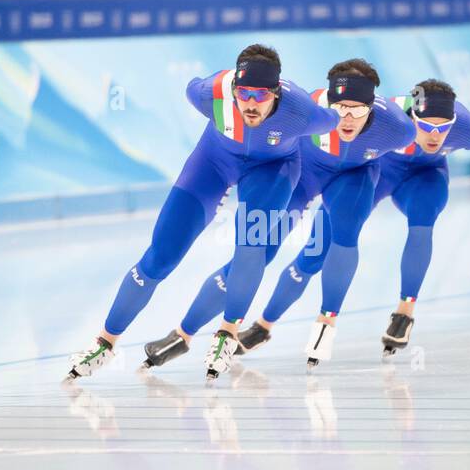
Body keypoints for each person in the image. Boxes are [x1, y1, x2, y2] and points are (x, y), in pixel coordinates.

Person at [65, 43, 336, 382]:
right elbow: (191, 84)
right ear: (234, 88)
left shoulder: (303, 112)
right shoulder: (208, 94)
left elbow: (335, 120)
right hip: (213, 163)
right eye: (244, 94)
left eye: (261, 96)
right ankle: (104, 344)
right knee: (160, 257)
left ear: (277, 92)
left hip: (273, 169)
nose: (250, 104)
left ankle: (226, 334)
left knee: (251, 248)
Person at [141, 58, 416, 373]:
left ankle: (313, 322)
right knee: (257, 253)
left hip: (353, 178)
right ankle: (184, 333)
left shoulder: (397, 128)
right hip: (304, 178)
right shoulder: (308, 110)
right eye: (340, 107)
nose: (346, 117)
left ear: (372, 106)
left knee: (326, 247)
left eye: (357, 109)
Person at [368, 80, 470, 357]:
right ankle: (266, 321)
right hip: (380, 172)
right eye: (426, 126)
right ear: (412, 117)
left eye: (443, 128)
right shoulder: (387, 117)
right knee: (336, 228)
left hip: (425, 177)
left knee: (423, 224)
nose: (435, 135)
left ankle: (405, 313)